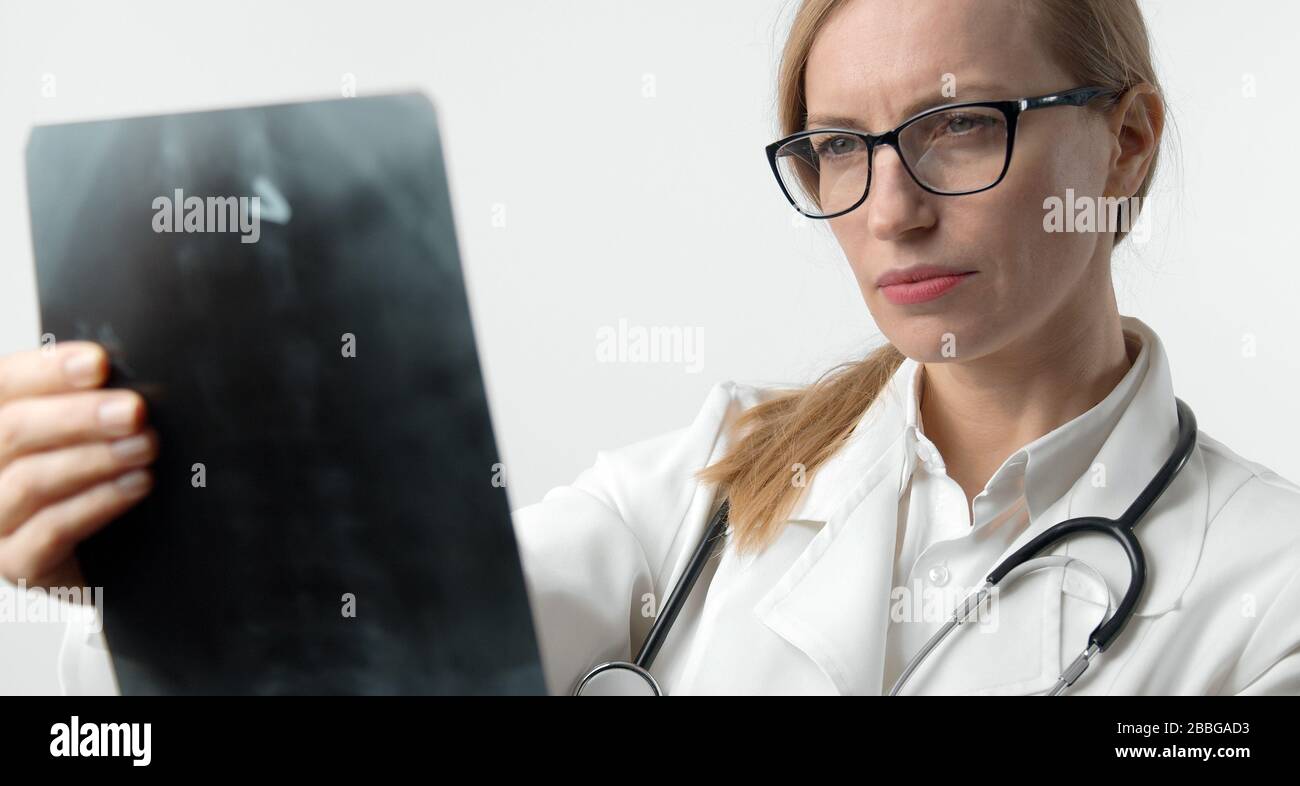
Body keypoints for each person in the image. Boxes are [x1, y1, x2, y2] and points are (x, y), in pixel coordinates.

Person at [4, 0, 1298, 695]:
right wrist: (158, 563)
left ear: (1126, 140)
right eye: (838, 146)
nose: (891, 207)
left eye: (959, 126)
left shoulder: (1268, 593)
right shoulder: (701, 485)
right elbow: (387, 657)